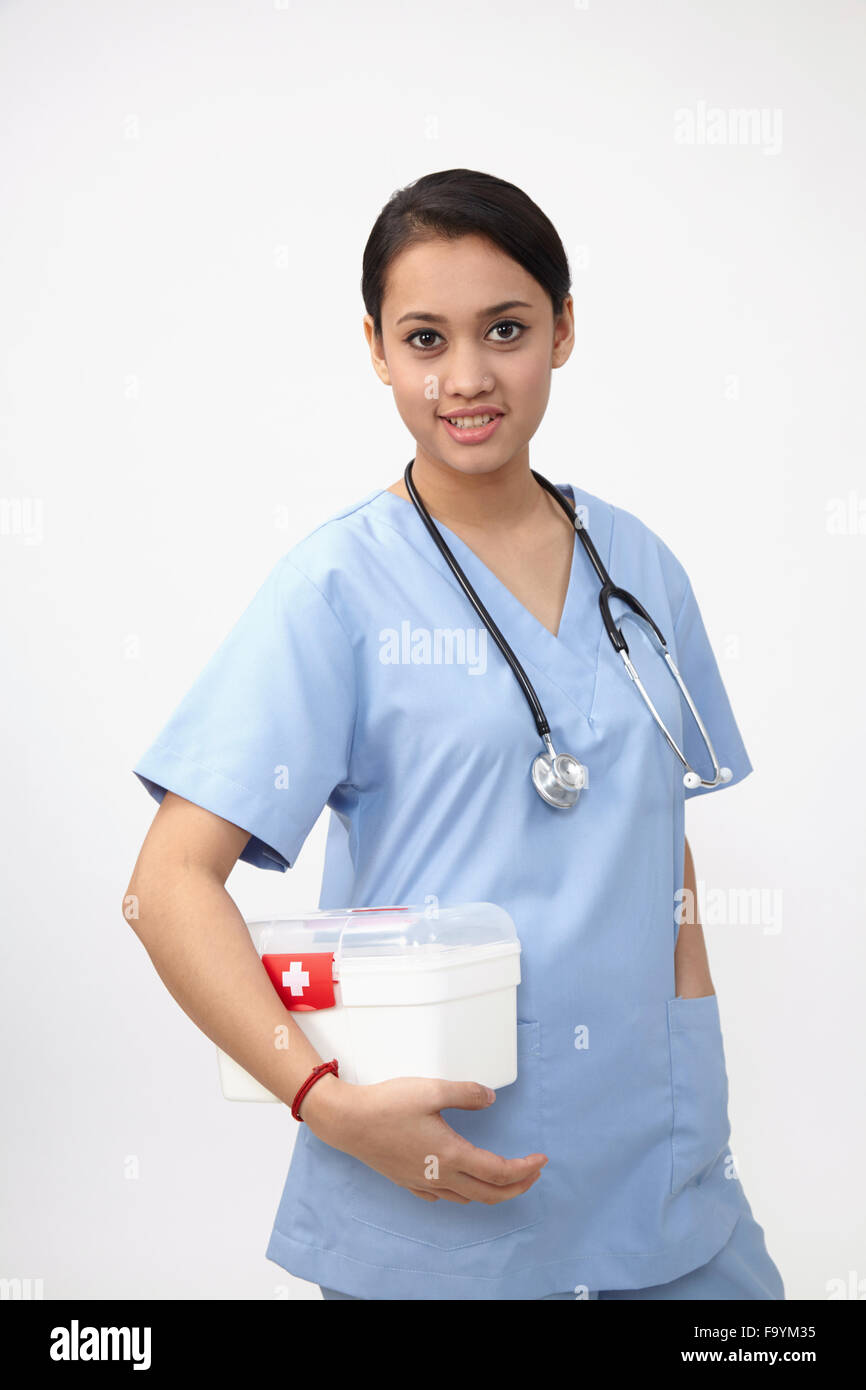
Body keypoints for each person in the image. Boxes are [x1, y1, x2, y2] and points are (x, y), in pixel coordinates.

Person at [124, 168, 784, 1301]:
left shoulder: (639, 568)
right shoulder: (334, 589)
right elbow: (169, 881)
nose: (466, 378)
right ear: (377, 350)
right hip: (427, 1175)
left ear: (563, 330)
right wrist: (322, 1099)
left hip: (662, 1175)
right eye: (425, 338)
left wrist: (693, 1058)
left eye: (506, 329)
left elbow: (655, 833)